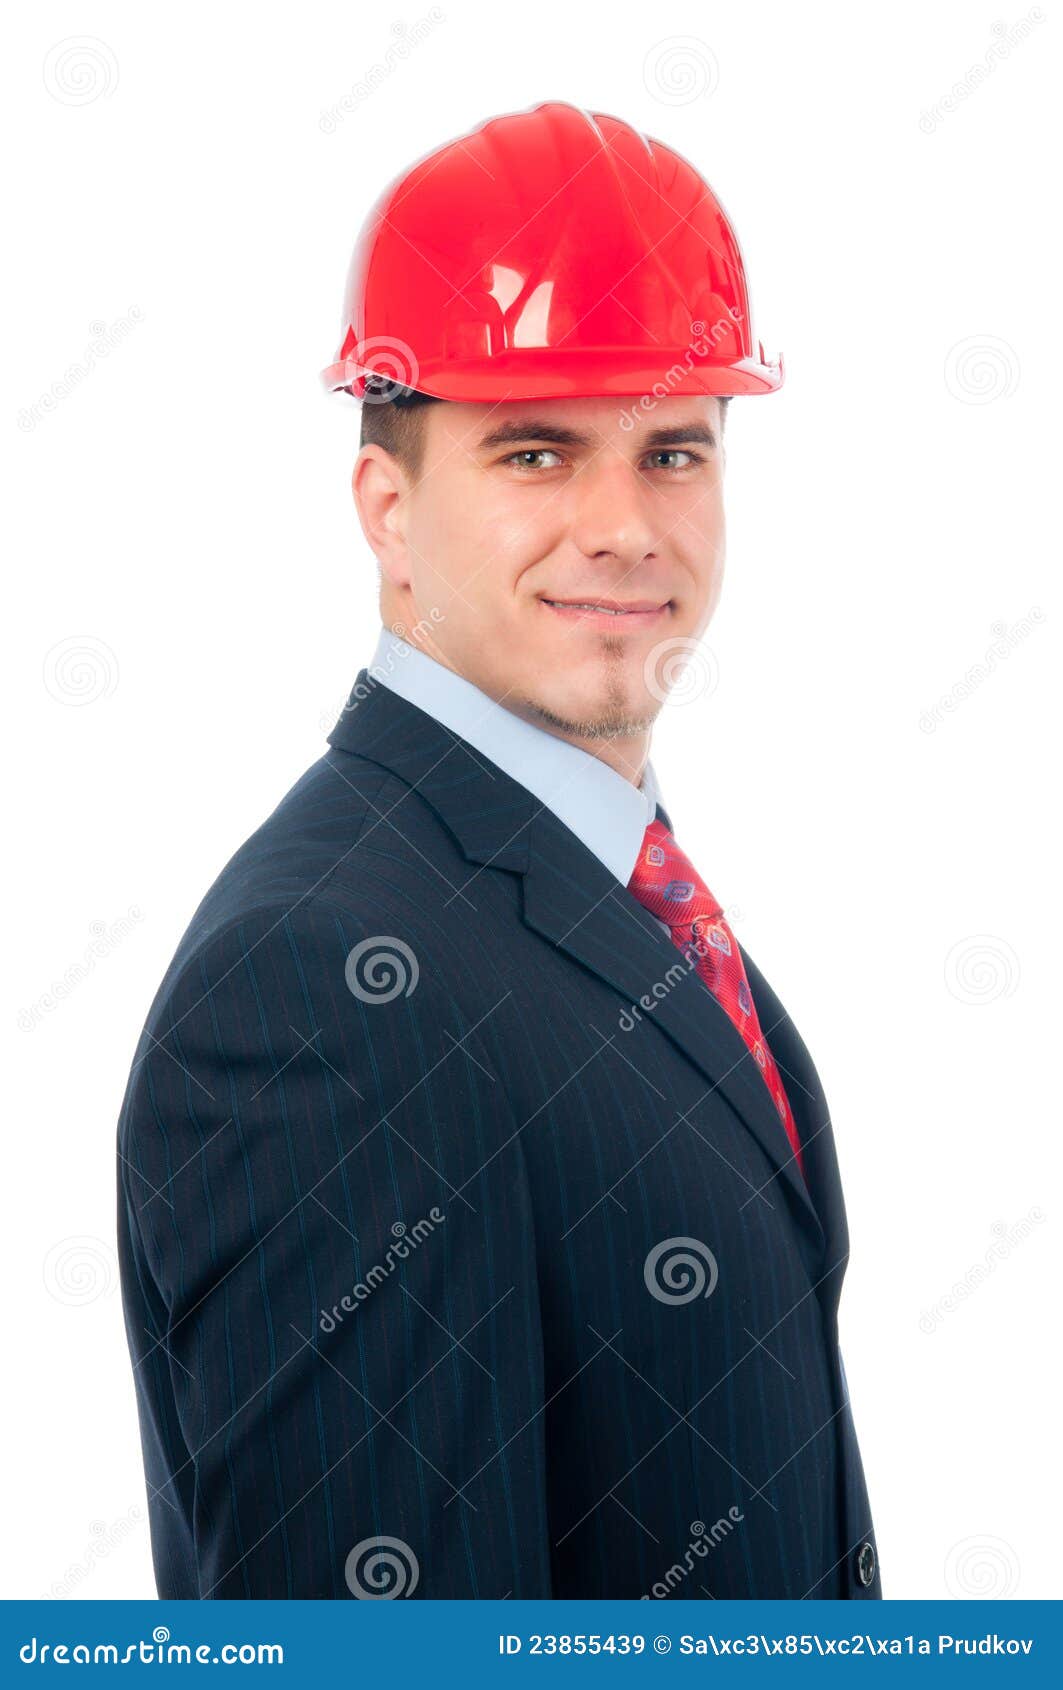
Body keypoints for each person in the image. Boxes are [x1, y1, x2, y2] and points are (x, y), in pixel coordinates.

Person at [117, 100, 881, 1601]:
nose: (624, 526)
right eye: (536, 452)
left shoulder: (614, 893)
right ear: (388, 510)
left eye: (673, 449)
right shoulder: (325, 993)